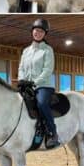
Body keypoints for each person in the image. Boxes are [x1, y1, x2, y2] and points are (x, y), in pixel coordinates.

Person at [18, 18, 59, 148]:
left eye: (41, 31)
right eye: (36, 30)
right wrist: (21, 80)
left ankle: (52, 133)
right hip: (27, 84)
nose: (38, 33)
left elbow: (47, 70)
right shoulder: (26, 51)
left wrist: (33, 83)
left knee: (41, 104)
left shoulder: (47, 50)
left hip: (43, 86)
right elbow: (21, 68)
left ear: (44, 34)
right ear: (32, 31)